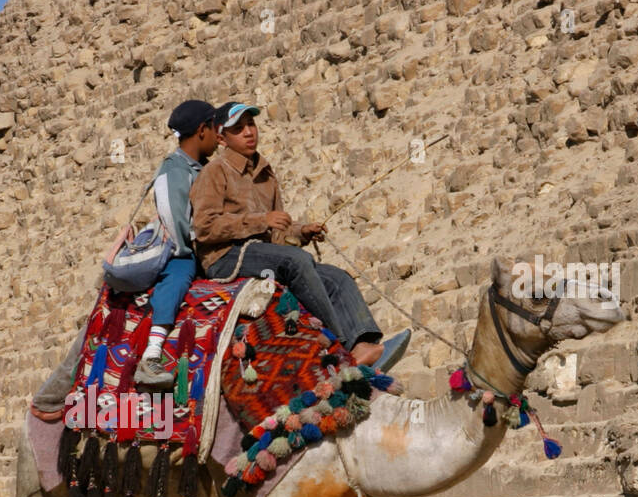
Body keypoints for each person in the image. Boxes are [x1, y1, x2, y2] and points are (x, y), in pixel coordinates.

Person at [29, 99, 220, 418]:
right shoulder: (173, 170)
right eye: (216, 128)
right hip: (175, 250)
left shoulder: (202, 170)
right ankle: (152, 354)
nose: (220, 136)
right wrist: (198, 250)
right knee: (182, 272)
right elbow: (175, 220)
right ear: (202, 131)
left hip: (194, 243)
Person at [190, 101, 410, 370]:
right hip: (226, 256)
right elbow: (204, 227)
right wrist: (261, 221)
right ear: (222, 138)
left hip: (264, 253)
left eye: (251, 124)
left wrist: (301, 231)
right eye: (238, 128)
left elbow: (277, 230)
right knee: (296, 261)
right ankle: (339, 346)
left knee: (336, 278)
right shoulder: (215, 172)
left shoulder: (265, 173)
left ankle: (363, 342)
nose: (249, 132)